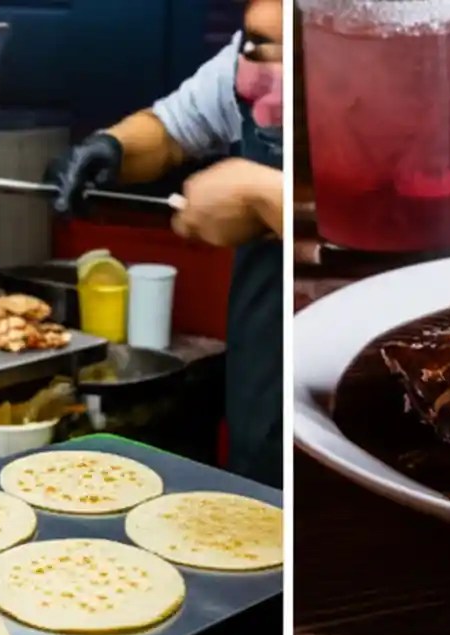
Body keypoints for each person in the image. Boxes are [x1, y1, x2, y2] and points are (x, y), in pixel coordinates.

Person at [45, 0, 284, 488]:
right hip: (263, 369)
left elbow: (394, 214)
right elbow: (173, 130)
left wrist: (263, 196)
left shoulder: (382, 44)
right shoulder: (253, 48)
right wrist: (112, 147)